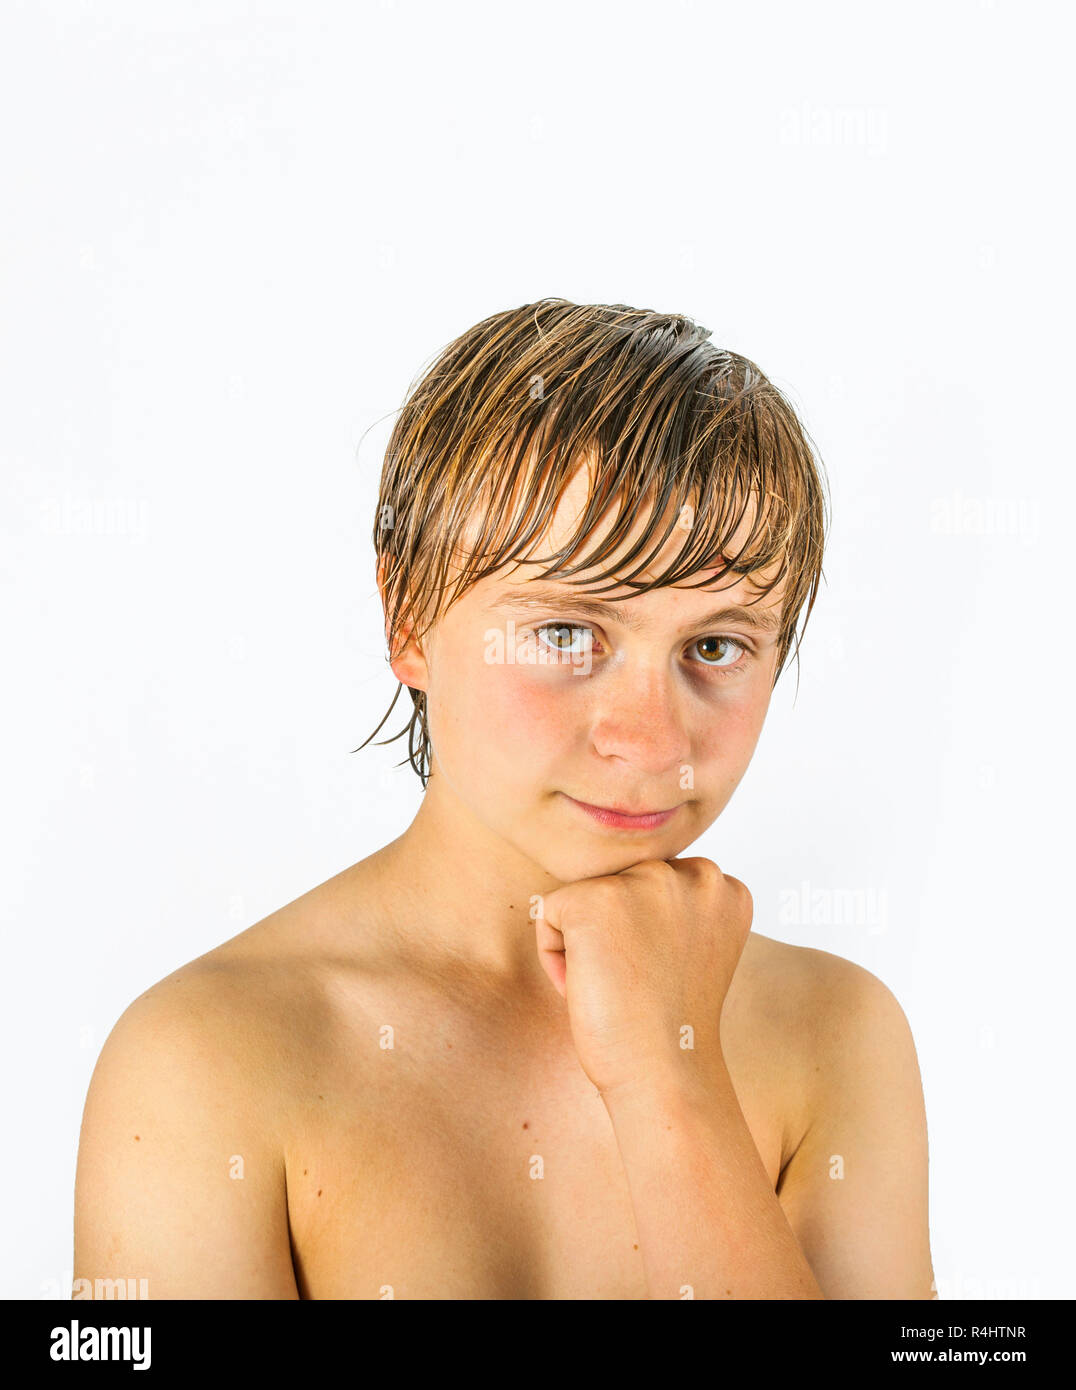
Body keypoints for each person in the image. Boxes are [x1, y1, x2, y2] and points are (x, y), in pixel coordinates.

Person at [73, 298, 934, 1299]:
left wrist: (667, 1073)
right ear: (408, 617)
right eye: (566, 633)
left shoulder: (836, 1032)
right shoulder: (205, 1062)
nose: (650, 739)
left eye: (713, 646)